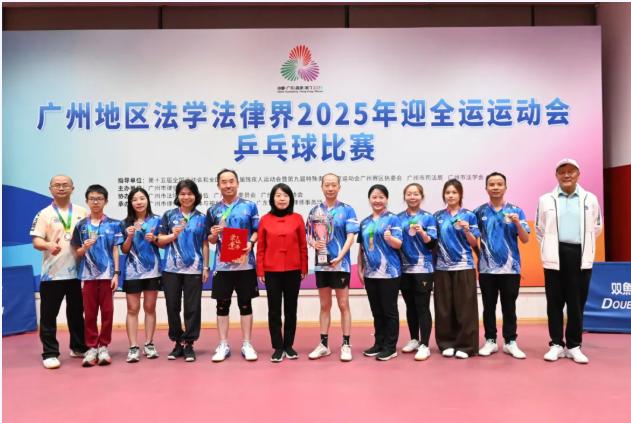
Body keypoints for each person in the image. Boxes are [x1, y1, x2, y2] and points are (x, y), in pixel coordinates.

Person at [536, 158, 603, 364]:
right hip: (555, 255)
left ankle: (574, 345)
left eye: (571, 171)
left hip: (579, 255)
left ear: (578, 175)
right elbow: (540, 229)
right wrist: (549, 247)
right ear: (556, 175)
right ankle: (556, 344)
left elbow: (597, 227)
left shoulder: (590, 199)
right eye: (562, 171)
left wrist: (583, 244)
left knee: (576, 303)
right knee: (554, 303)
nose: (566, 175)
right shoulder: (545, 199)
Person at [30, 175, 88, 369]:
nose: (61, 188)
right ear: (50, 189)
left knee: (76, 313)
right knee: (49, 315)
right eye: (57, 185)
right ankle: (50, 353)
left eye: (65, 185)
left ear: (72, 188)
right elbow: (36, 240)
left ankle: (78, 347)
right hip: (52, 274)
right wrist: (47, 245)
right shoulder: (44, 214)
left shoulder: (82, 212)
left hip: (78, 274)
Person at [475, 172, 530, 359]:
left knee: (509, 307)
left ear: (505, 187)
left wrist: (517, 223)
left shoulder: (516, 211)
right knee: (488, 307)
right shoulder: (479, 212)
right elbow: (472, 238)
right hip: (486, 269)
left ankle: (510, 342)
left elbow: (525, 239)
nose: (495, 187)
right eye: (492, 184)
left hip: (511, 269)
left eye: (499, 184)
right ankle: (490, 340)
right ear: (486, 188)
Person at [207, 169, 260, 362]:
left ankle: (247, 343)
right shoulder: (213, 210)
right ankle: (223, 344)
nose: (228, 185)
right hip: (222, 266)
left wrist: (251, 243)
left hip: (245, 265)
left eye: (231, 181)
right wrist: (214, 234)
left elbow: (257, 231)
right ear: (218, 185)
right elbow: (211, 240)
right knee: (222, 305)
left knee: (245, 304)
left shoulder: (249, 206)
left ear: (237, 183)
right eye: (224, 182)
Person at [306, 173, 359, 362]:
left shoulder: (347, 210)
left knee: (343, 304)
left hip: (340, 264)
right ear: (322, 187)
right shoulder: (315, 211)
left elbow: (351, 236)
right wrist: (314, 243)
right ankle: (324, 345)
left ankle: (346, 344)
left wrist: (340, 256)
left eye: (333, 185)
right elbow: (308, 234)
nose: (330, 188)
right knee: (324, 305)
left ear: (339, 187)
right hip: (322, 265)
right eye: (327, 185)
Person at [157, 179, 209, 363]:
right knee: (172, 306)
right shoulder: (169, 215)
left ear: (196, 196)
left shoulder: (202, 218)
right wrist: (173, 235)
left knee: (192, 307)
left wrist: (205, 267)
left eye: (190, 194)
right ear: (177, 196)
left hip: (194, 269)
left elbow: (205, 243)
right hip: (171, 269)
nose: (186, 197)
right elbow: (159, 240)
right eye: (182, 194)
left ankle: (189, 343)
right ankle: (177, 342)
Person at [71, 184, 124, 367]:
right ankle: (92, 347)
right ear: (87, 201)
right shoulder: (81, 225)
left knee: (108, 312)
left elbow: (115, 250)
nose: (96, 202)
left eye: (99, 198)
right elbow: (77, 252)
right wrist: (84, 247)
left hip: (107, 276)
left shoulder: (114, 224)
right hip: (88, 277)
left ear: (106, 201)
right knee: (90, 313)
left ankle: (104, 347)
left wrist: (116, 274)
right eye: (92, 199)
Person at [256, 184, 308, 362]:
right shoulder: (264, 219)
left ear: (290, 198)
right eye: (278, 195)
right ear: (272, 198)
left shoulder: (298, 218)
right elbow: (261, 247)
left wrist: (304, 267)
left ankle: (289, 346)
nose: (282, 199)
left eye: (285, 195)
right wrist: (260, 269)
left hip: (293, 269)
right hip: (271, 270)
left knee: (291, 309)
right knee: (274, 310)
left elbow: (303, 245)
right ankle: (278, 347)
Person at [433, 179, 480, 359]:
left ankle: (466, 346)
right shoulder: (437, 216)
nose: (451, 196)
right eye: (448, 192)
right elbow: (432, 241)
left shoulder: (469, 215)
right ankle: (447, 343)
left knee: (465, 307)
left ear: (460, 195)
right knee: (444, 307)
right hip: (442, 267)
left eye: (454, 192)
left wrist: (467, 230)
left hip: (464, 266)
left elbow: (474, 243)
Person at [357, 184, 403, 361]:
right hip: (370, 274)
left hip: (389, 273)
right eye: (374, 197)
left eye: (381, 197)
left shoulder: (393, 219)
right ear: (369, 199)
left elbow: (399, 244)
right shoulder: (365, 222)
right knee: (376, 311)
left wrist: (390, 239)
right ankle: (379, 343)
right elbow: (361, 248)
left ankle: (390, 347)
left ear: (387, 199)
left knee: (389, 311)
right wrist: (360, 269)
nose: (377, 200)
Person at [120, 188, 161, 363]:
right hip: (132, 272)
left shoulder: (157, 220)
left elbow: (163, 243)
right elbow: (124, 250)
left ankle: (149, 343)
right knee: (132, 309)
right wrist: (129, 237)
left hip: (152, 271)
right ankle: (133, 347)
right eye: (135, 199)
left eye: (142, 198)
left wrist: (155, 239)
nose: (139, 202)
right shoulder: (124, 223)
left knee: (150, 308)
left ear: (147, 200)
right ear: (130, 203)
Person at [397, 183, 437, 361]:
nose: (412, 197)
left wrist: (422, 233)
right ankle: (414, 339)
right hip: (404, 269)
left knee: (422, 306)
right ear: (404, 196)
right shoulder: (398, 218)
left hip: (423, 269)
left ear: (422, 196)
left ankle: (425, 345)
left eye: (416, 194)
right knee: (410, 306)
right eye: (409, 194)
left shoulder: (428, 218)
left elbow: (432, 244)